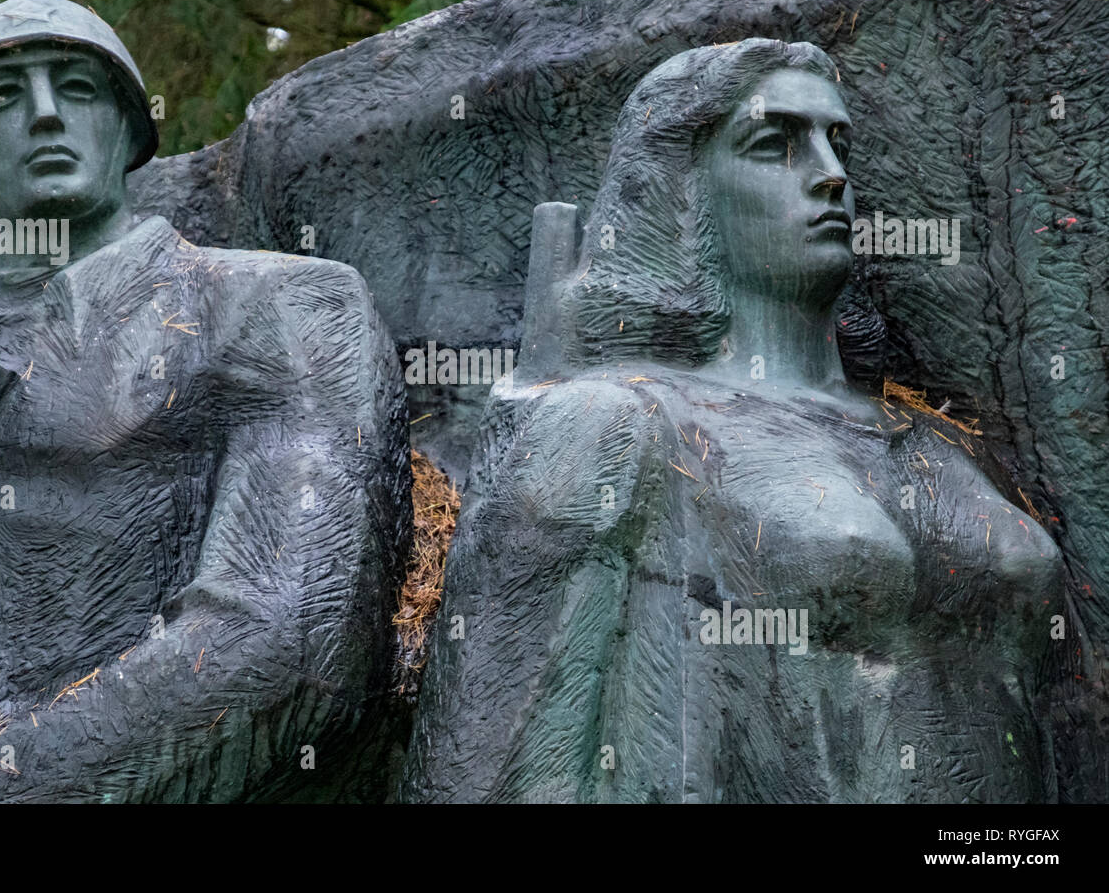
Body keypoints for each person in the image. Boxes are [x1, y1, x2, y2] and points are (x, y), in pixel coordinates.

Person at [404, 39, 1063, 802]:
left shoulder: (934, 442)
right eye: (775, 143)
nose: (832, 174)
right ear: (683, 194)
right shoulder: (611, 420)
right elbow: (497, 763)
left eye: (838, 142)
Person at [0, 0, 410, 802]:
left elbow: (288, 640)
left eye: (79, 87)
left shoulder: (274, 308)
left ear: (130, 131)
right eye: (4, 95)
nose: (45, 114)